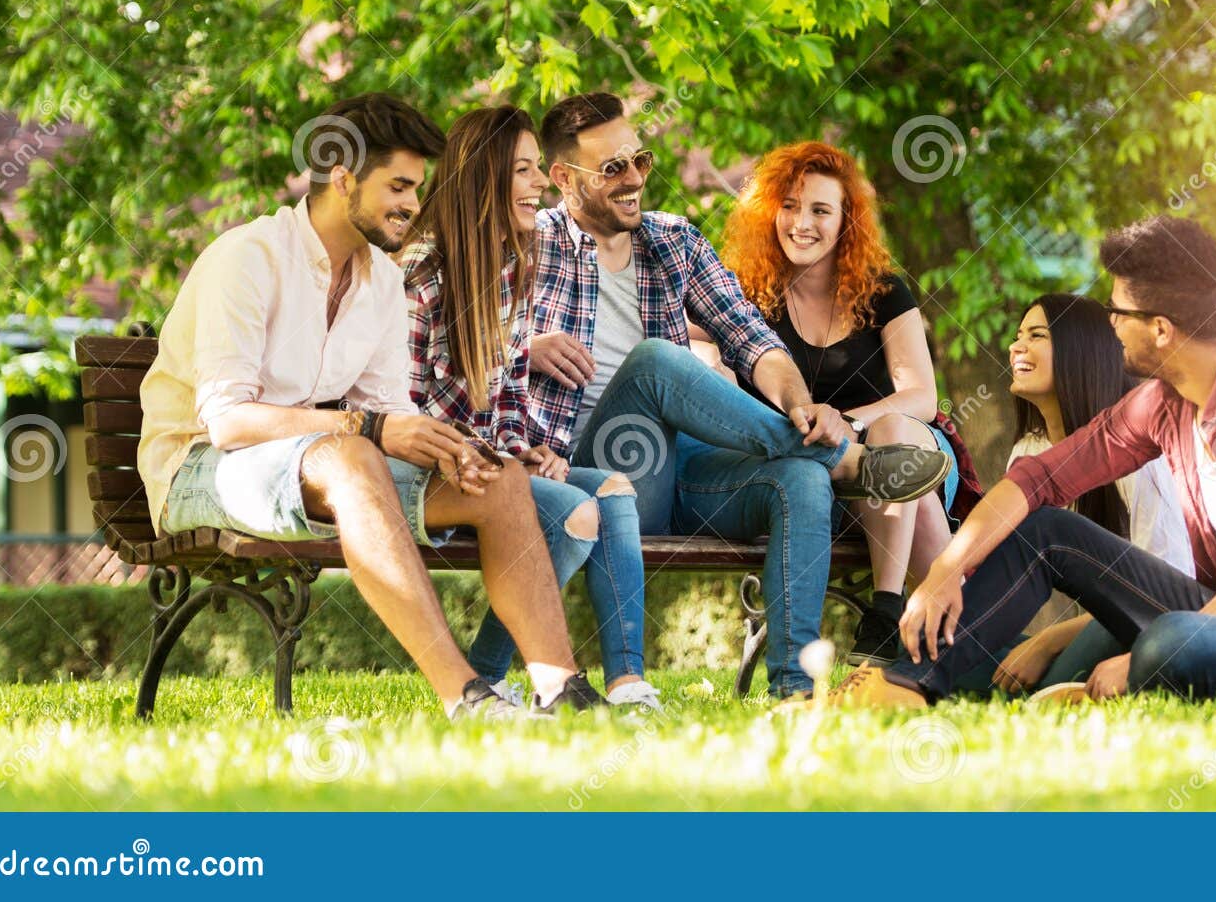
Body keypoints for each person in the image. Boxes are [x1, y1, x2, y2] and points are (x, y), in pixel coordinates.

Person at [825, 215, 1216, 708]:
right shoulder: (1163, 403)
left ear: (1160, 329)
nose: (1108, 325)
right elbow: (1043, 477)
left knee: (1168, 643)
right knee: (1046, 534)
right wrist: (945, 572)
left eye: (1116, 313)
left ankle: (1140, 670)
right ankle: (910, 687)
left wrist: (1138, 658)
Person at [137, 93, 591, 722]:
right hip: (200, 467)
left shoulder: (379, 278)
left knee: (498, 480)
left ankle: (561, 689)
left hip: (308, 467)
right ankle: (465, 696)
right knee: (352, 454)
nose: (412, 203)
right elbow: (230, 420)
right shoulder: (247, 258)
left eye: (418, 186)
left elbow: (387, 409)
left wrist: (449, 448)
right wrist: (373, 429)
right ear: (344, 177)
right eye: (399, 185)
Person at [523, 92, 953, 699]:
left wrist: (801, 406)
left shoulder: (673, 241)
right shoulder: (527, 247)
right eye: (611, 169)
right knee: (656, 361)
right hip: (593, 473)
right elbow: (446, 335)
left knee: (796, 479)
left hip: (682, 472)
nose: (633, 180)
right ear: (563, 179)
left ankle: (793, 691)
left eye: (639, 161)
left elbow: (756, 344)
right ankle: (850, 463)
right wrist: (525, 346)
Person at [401, 105, 645, 710]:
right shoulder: (422, 272)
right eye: (523, 171)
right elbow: (399, 406)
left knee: (608, 489)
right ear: (481, 177)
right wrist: (493, 457)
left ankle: (623, 683)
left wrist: (525, 451)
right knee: (571, 515)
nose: (538, 185)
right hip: (430, 475)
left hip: (489, 463)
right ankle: (501, 677)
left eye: (539, 170)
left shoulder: (510, 265)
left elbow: (509, 388)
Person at [720, 142, 963, 665]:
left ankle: (884, 611)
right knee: (906, 482)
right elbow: (703, 364)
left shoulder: (884, 291)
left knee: (894, 439)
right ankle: (971, 644)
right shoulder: (745, 294)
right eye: (788, 205)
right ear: (769, 211)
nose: (800, 222)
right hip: (811, 474)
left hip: (900, 444)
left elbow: (922, 396)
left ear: (846, 221)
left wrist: (848, 422)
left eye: (820, 210)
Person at [986, 293, 1192, 694]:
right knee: (970, 650)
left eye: (1037, 335)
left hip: (1152, 628)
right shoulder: (1028, 451)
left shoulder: (1137, 455)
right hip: (1089, 632)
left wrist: (1049, 642)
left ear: (1080, 351)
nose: (1016, 346)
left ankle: (1048, 691)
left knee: (1029, 679)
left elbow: (1168, 601)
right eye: (1017, 336)